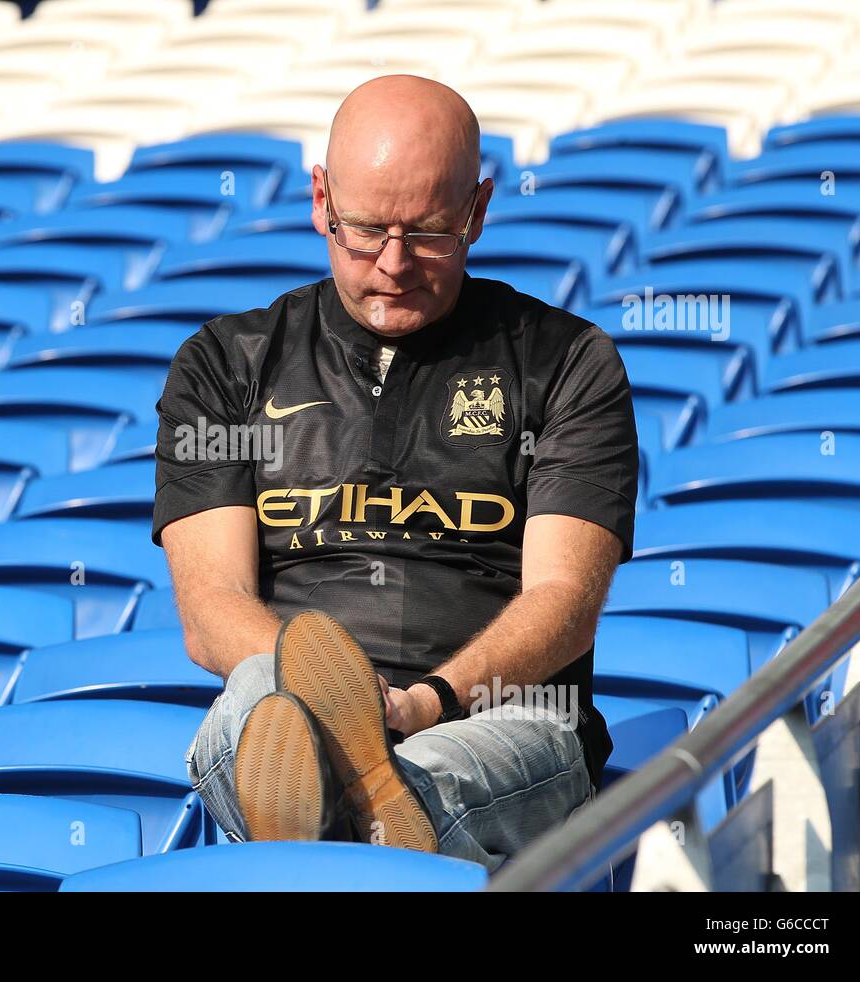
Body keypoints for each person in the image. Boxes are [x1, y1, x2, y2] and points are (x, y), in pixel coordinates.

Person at [152, 75, 638, 870]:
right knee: (252, 706)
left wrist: (425, 704)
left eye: (431, 233)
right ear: (319, 201)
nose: (395, 263)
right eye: (367, 230)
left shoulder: (566, 362)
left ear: (478, 211)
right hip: (288, 701)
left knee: (439, 770)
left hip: (496, 717)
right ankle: (368, 816)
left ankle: (366, 805)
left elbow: (564, 602)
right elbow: (212, 612)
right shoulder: (225, 364)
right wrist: (337, 701)